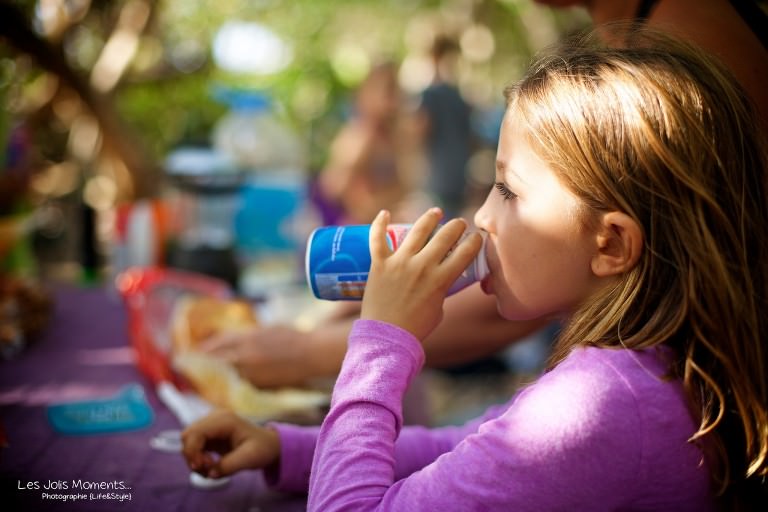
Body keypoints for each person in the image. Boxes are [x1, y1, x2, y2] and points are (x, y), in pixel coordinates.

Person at [182, 28, 768, 510]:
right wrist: (285, 450)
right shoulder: (643, 371)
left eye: (508, 192)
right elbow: (459, 449)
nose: (482, 218)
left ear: (611, 244)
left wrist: (382, 342)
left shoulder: (597, 405)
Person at [198, 0, 768, 393]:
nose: (483, 219)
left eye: (506, 190)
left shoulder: (692, 36)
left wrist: (346, 348)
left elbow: (548, 264)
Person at [313, 61, 417, 225]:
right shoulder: (360, 135)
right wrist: (365, 204)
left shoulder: (393, 137)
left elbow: (406, 184)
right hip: (357, 227)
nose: (395, 101)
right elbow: (333, 185)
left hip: (383, 225)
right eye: (389, 92)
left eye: (397, 92)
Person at [413, 35, 474, 218]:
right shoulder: (458, 95)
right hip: (458, 170)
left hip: (440, 174)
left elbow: (421, 130)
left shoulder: (430, 95)